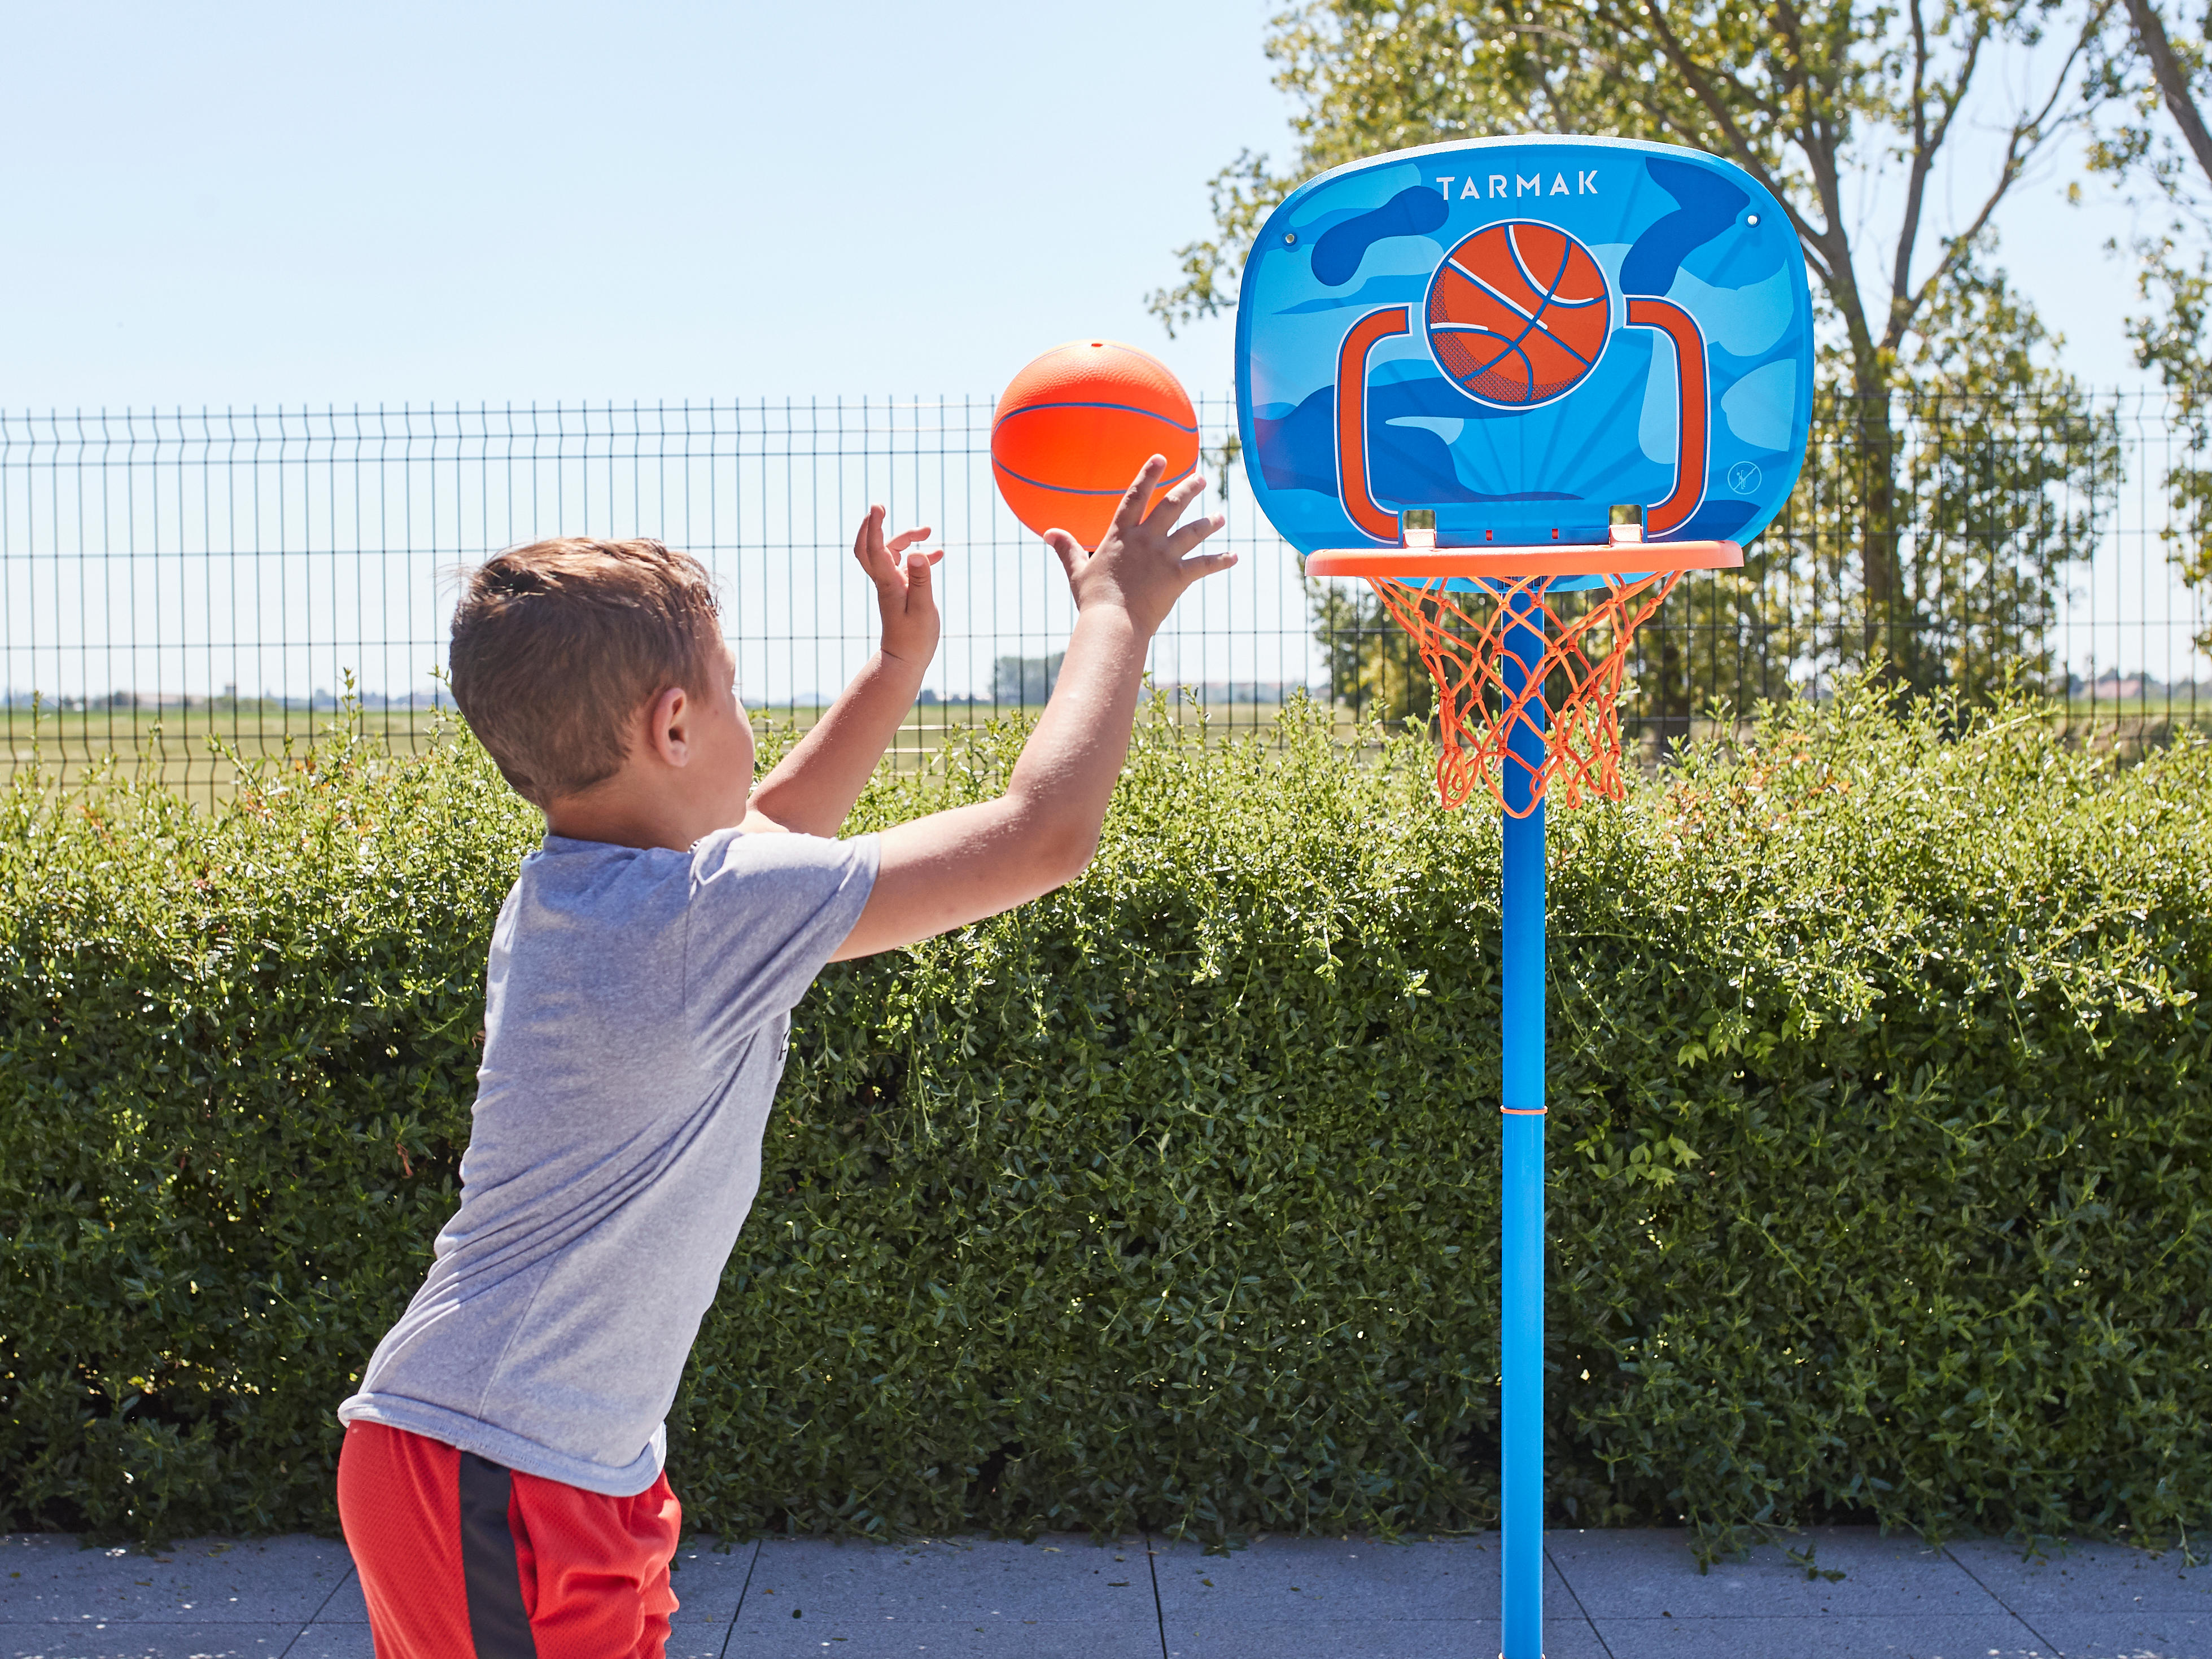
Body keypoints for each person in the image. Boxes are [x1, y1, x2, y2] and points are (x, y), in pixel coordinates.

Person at [332, 457, 1230, 1658]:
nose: (750, 721)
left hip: (531, 1458)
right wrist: (1115, 614)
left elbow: (777, 826)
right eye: (737, 690)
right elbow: (1041, 838)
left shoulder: (589, 891)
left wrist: (898, 666)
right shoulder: (693, 919)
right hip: (505, 1471)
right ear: (674, 723)